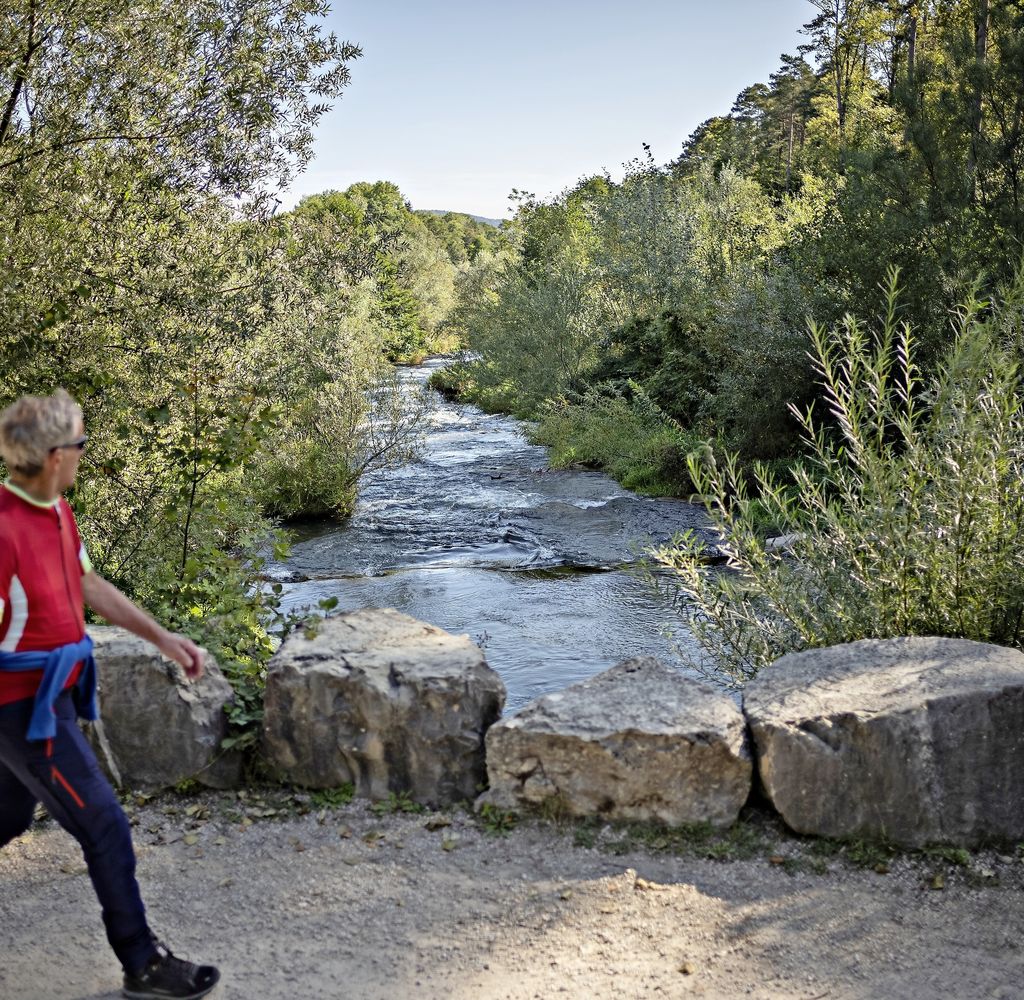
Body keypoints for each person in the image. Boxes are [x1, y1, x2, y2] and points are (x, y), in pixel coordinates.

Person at [0, 389, 221, 1000]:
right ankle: (142, 962)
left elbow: (87, 584)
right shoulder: (3, 529)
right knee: (104, 823)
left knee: (8, 815)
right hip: (23, 710)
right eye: (79, 443)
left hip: (51, 696)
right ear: (54, 456)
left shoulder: (56, 510)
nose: (83, 452)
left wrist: (164, 639)